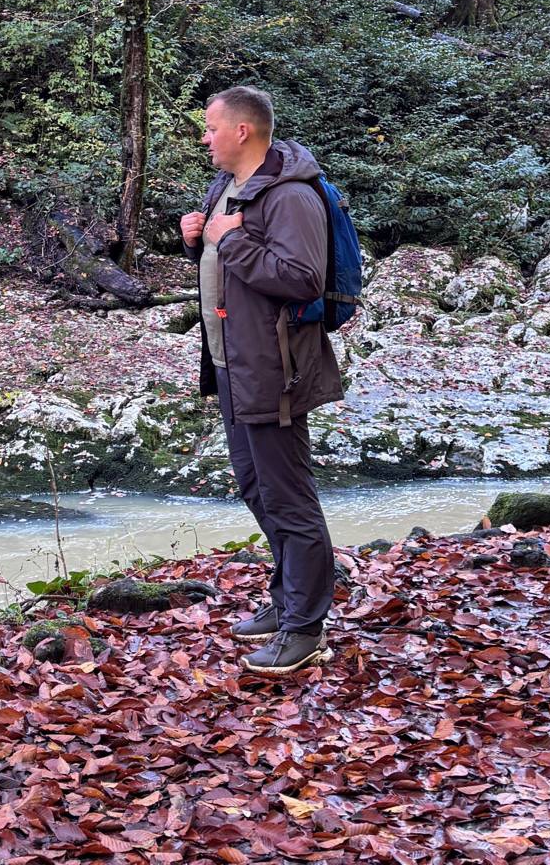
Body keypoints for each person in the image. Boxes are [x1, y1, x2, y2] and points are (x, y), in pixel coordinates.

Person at [180, 85, 344, 675]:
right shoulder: (227, 187)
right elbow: (232, 268)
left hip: (276, 368)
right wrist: (197, 243)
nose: (205, 138)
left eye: (211, 128)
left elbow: (301, 278)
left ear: (242, 131)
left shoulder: (291, 195)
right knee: (256, 487)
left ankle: (305, 628)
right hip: (232, 363)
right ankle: (287, 601)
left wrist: (231, 239)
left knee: (288, 497)